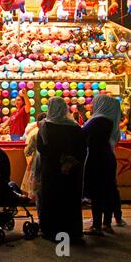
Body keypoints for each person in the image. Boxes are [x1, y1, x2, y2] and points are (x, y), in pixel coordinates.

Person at [37, 97, 86, 243]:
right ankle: (73, 231)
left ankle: (51, 231)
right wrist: (69, 162)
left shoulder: (45, 126)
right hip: (71, 172)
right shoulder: (75, 126)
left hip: (52, 171)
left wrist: (57, 159)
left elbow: (41, 149)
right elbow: (82, 149)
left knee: (52, 199)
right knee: (70, 200)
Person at [82, 95, 123, 236]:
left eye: (95, 103)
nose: (92, 105)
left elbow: (81, 134)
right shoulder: (112, 121)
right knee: (108, 191)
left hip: (97, 158)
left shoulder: (98, 120)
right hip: (108, 158)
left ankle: (97, 226)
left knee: (97, 192)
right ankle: (107, 224)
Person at [21, 113, 47, 201]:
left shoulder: (34, 135)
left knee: (35, 184)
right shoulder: (54, 134)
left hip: (36, 162)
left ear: (37, 123)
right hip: (50, 163)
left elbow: (27, 152)